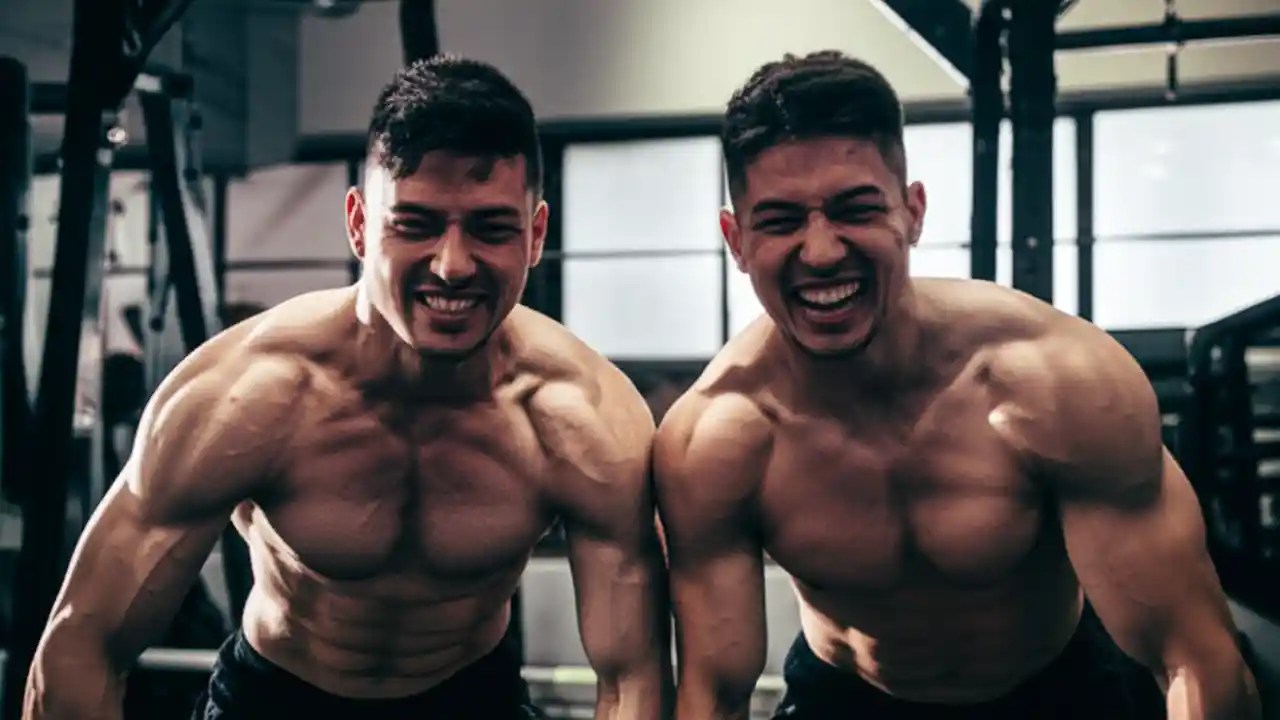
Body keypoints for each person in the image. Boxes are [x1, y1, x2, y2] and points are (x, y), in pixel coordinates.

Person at [24, 55, 671, 720]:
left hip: (472, 701)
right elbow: (82, 644)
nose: (452, 265)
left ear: (535, 235)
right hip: (274, 702)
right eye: (414, 224)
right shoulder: (247, 394)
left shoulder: (580, 415)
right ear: (359, 224)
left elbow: (632, 679)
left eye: (491, 228)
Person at [653, 50, 1261, 720]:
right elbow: (713, 693)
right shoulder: (719, 436)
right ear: (735, 239)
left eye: (857, 209)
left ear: (913, 212)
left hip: (1060, 688)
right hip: (848, 699)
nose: (821, 252)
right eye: (780, 221)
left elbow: (1193, 657)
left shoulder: (1056, 383)